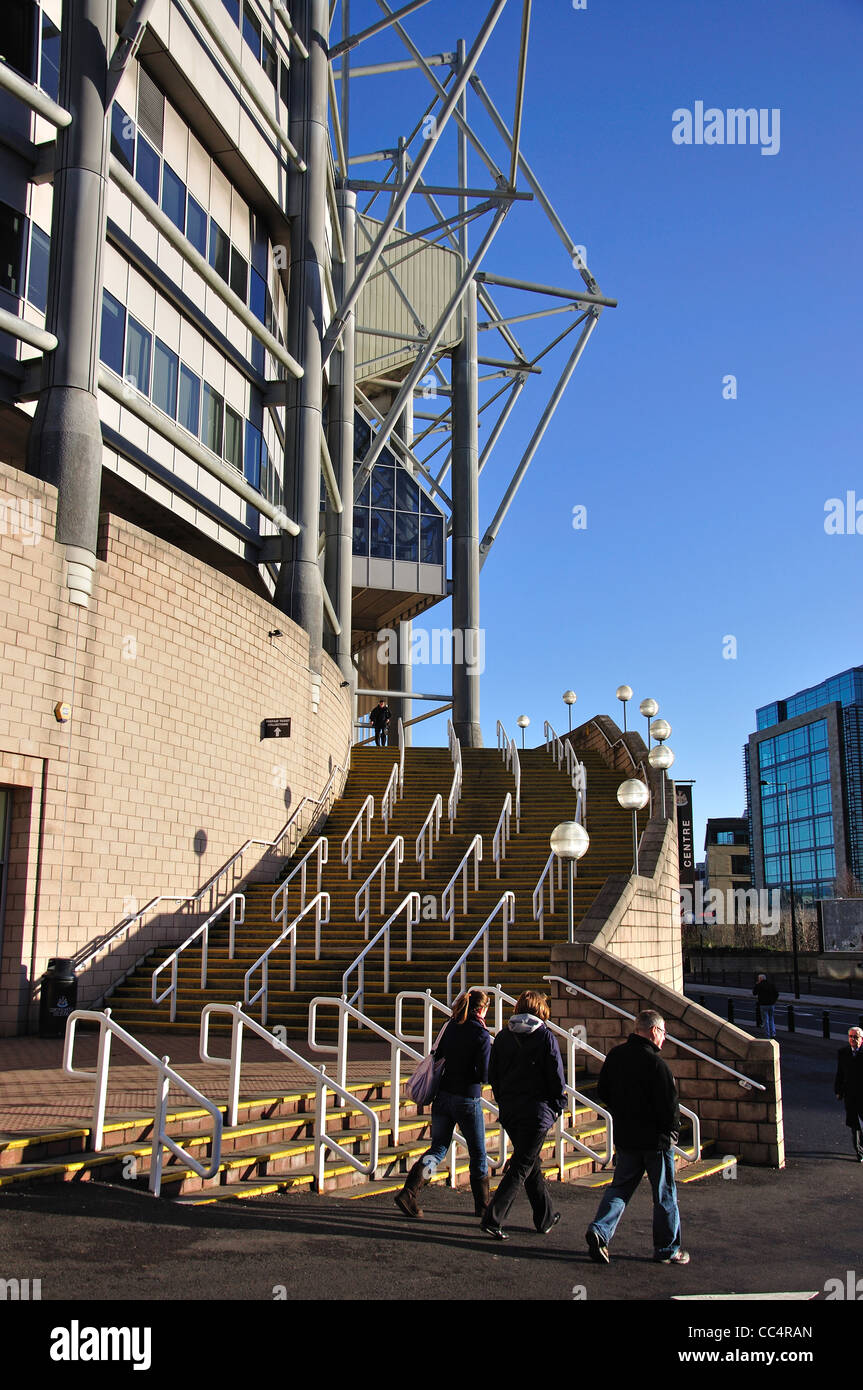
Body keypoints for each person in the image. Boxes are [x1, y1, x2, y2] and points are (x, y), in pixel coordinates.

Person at [585, 1009, 690, 1266]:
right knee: (664, 1195)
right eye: (664, 1033)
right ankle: (667, 1248)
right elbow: (669, 1107)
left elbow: (604, 1091)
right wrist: (671, 1132)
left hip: (627, 1136)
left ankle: (600, 1230)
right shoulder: (657, 1064)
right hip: (656, 1141)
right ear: (654, 1031)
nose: (664, 1039)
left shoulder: (616, 1056)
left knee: (620, 1188)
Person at [395, 988, 491, 1219]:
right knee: (478, 1153)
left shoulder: (449, 1027)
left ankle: (410, 1191)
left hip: (443, 1095)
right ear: (483, 1009)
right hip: (467, 1098)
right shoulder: (481, 1034)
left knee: (438, 1148)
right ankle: (483, 1206)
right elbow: (485, 1073)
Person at [480, 990, 566, 1240]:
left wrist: (503, 1098)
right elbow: (555, 1075)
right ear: (541, 1010)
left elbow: (493, 1073)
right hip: (537, 1113)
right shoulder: (545, 1037)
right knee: (521, 1165)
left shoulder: (503, 1036)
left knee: (530, 1163)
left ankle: (545, 1216)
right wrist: (558, 1104)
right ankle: (493, 1218)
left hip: (511, 1110)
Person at [834, 1025, 863, 1162]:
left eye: (855, 1037)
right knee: (854, 1124)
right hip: (850, 1094)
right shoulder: (843, 1052)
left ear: (861, 1039)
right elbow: (840, 1073)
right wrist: (838, 1091)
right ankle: (859, 1151)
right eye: (850, 1037)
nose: (853, 1039)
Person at [752, 973, 779, 1040]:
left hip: (763, 1004)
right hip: (771, 1004)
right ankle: (773, 1033)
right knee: (771, 1019)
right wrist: (773, 1001)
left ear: (760, 979)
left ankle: (767, 1035)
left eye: (758, 979)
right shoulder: (771, 984)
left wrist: (756, 984)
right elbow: (776, 994)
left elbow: (754, 993)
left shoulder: (759, 985)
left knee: (765, 1020)